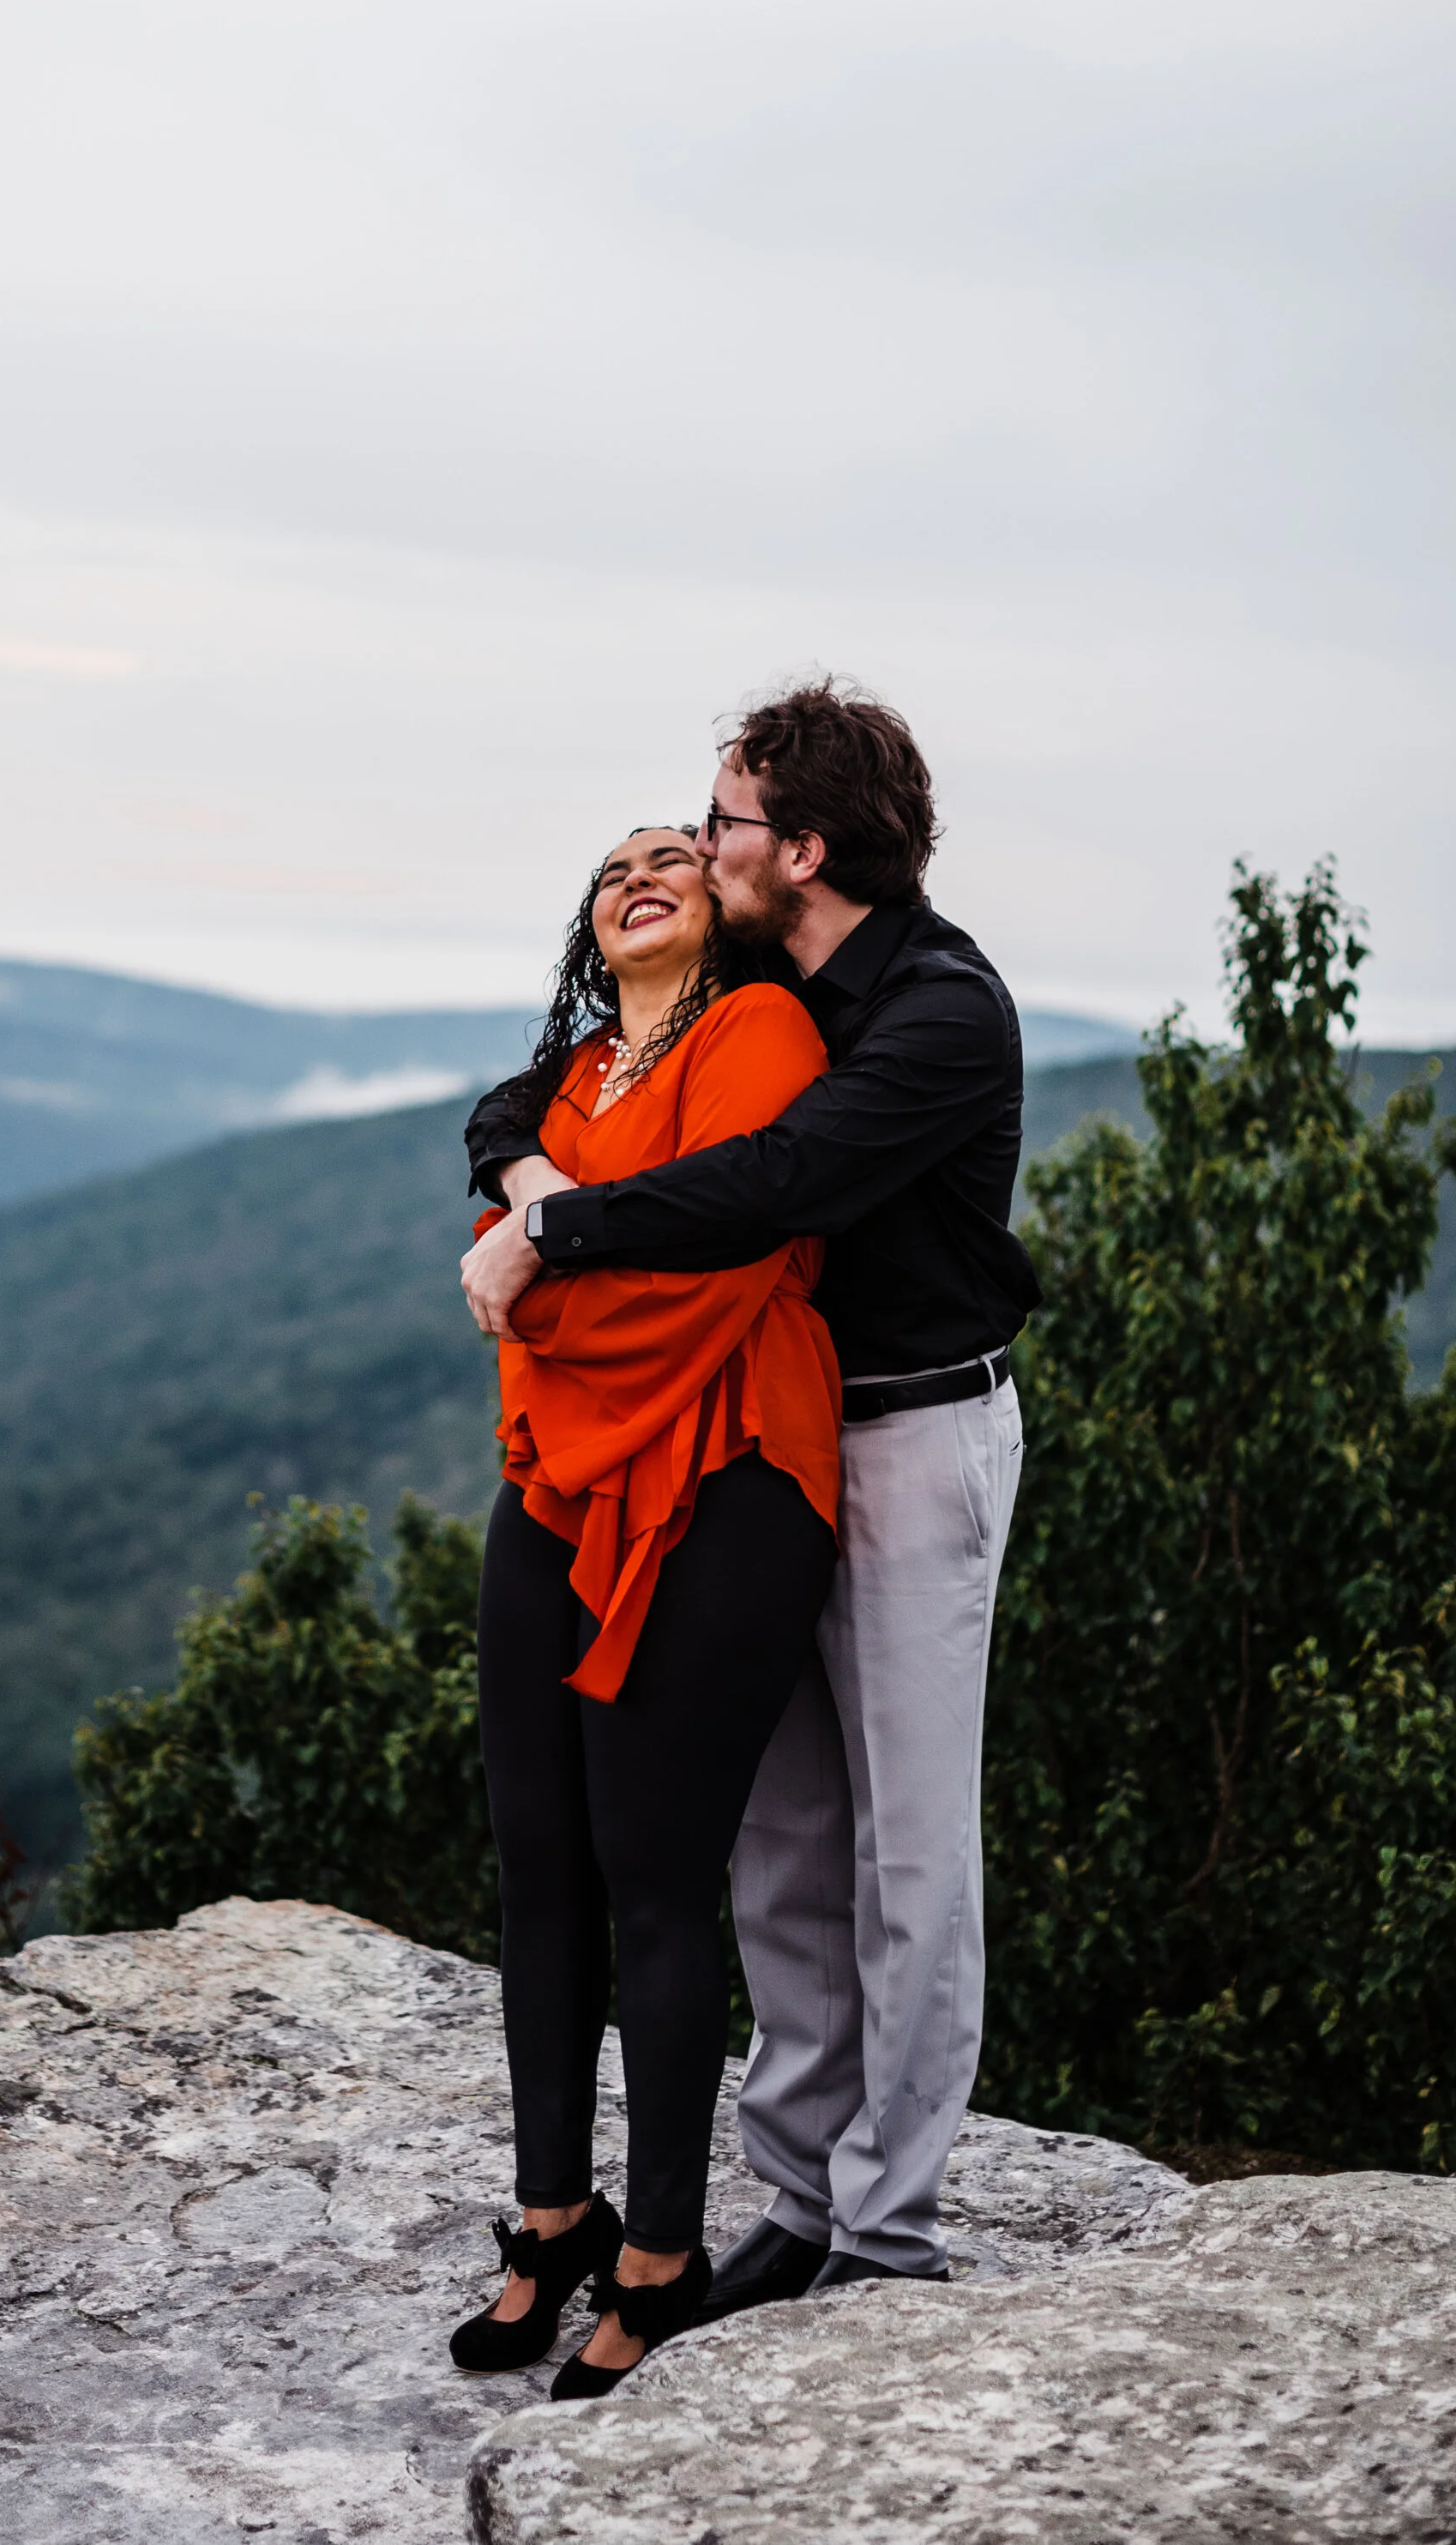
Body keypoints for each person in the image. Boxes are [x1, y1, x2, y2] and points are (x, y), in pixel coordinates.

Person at [461, 678, 1038, 2307]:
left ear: (802, 844)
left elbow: (774, 1184)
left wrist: (552, 1237)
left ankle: (890, 2229)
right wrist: (525, 1172)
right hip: (753, 1453)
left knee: (910, 1852)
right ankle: (792, 2197)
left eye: (720, 819)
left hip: (914, 1435)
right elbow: (541, 1085)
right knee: (783, 1838)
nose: (700, 841)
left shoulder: (938, 1007)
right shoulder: (759, 972)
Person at [448, 823, 842, 2397]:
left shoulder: (764, 1031)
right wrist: (527, 1196)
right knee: (539, 1861)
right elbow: (519, 1180)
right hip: (561, 1479)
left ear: (721, 905)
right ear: (593, 927)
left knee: (658, 1870)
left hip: (730, 1466)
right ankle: (554, 2220)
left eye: (678, 851)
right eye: (614, 868)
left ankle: (663, 2256)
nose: (643, 873)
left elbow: (718, 1253)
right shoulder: (580, 1072)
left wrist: (534, 1261)